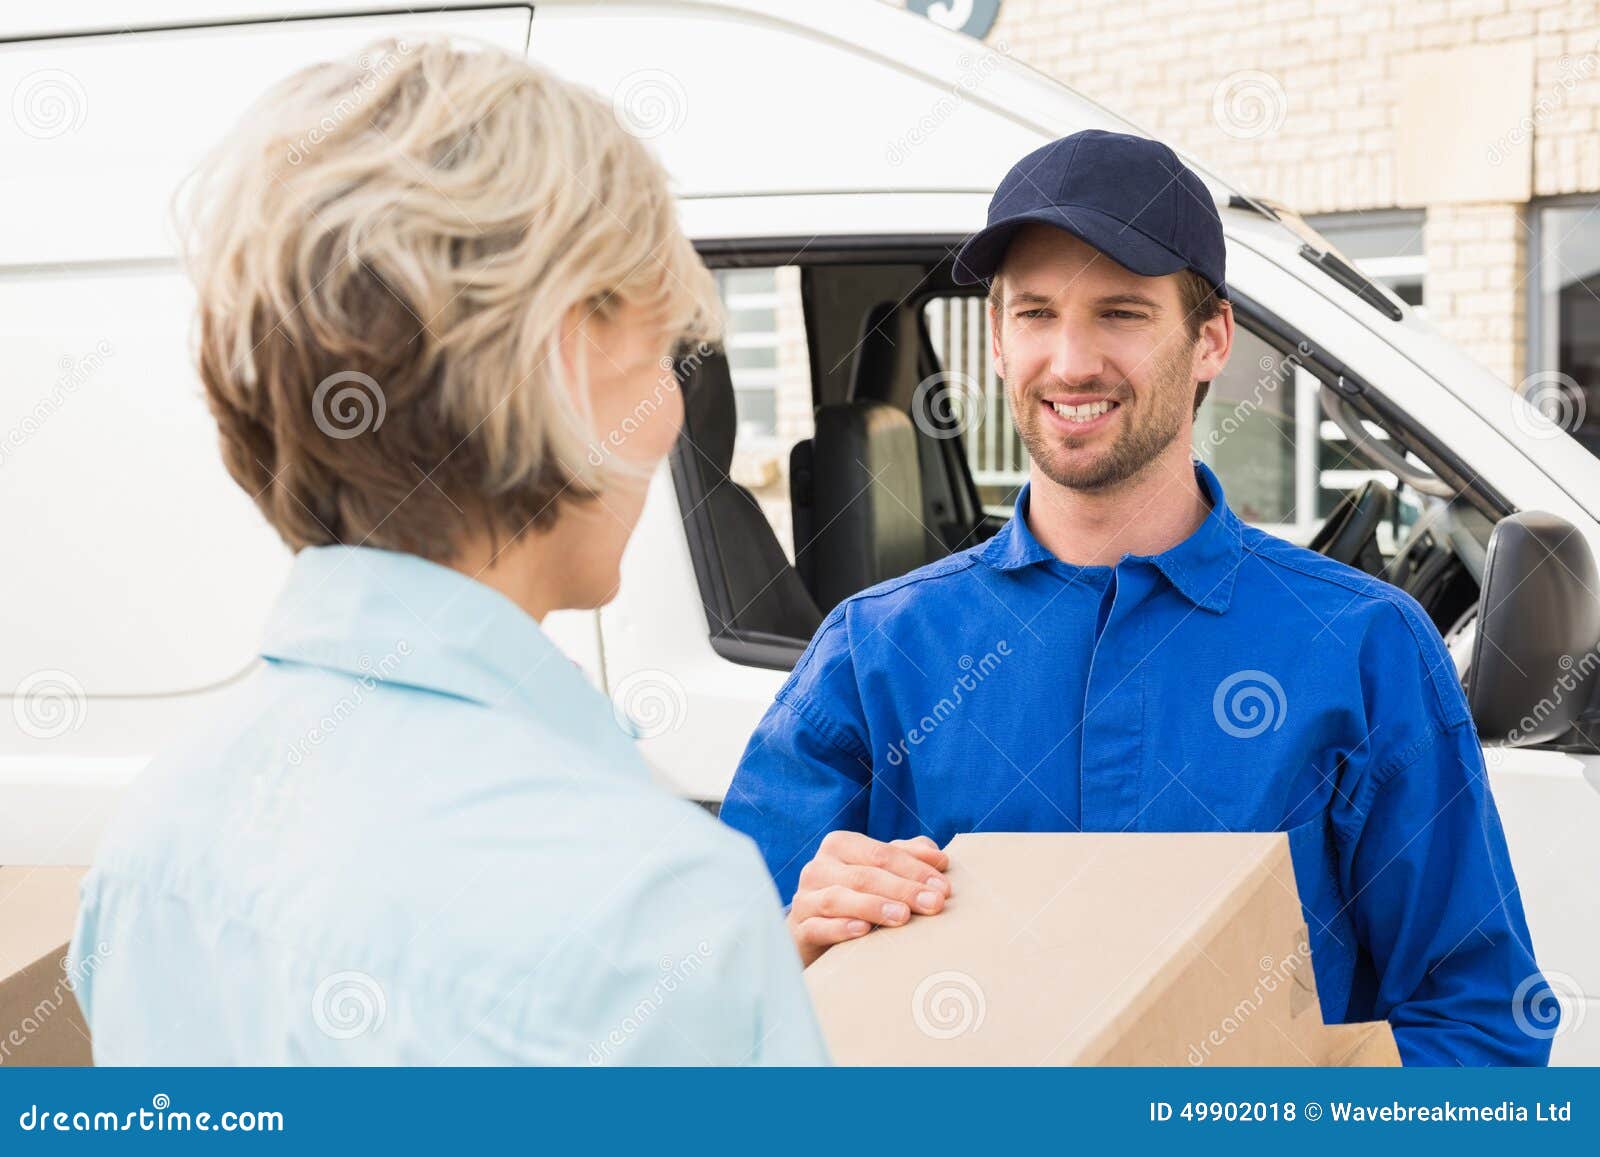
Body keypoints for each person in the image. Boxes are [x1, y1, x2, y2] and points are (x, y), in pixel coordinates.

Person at [722, 129, 1553, 1066]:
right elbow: (706, 1009)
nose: (1071, 361)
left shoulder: (1364, 649)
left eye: (1120, 312)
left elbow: (1482, 1026)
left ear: (1210, 341)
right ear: (997, 341)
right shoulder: (875, 654)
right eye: (1035, 313)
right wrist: (791, 944)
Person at [69, 40, 827, 1065]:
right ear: (562, 362)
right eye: (662, 355)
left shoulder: (154, 831)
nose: (670, 416)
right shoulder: (659, 907)